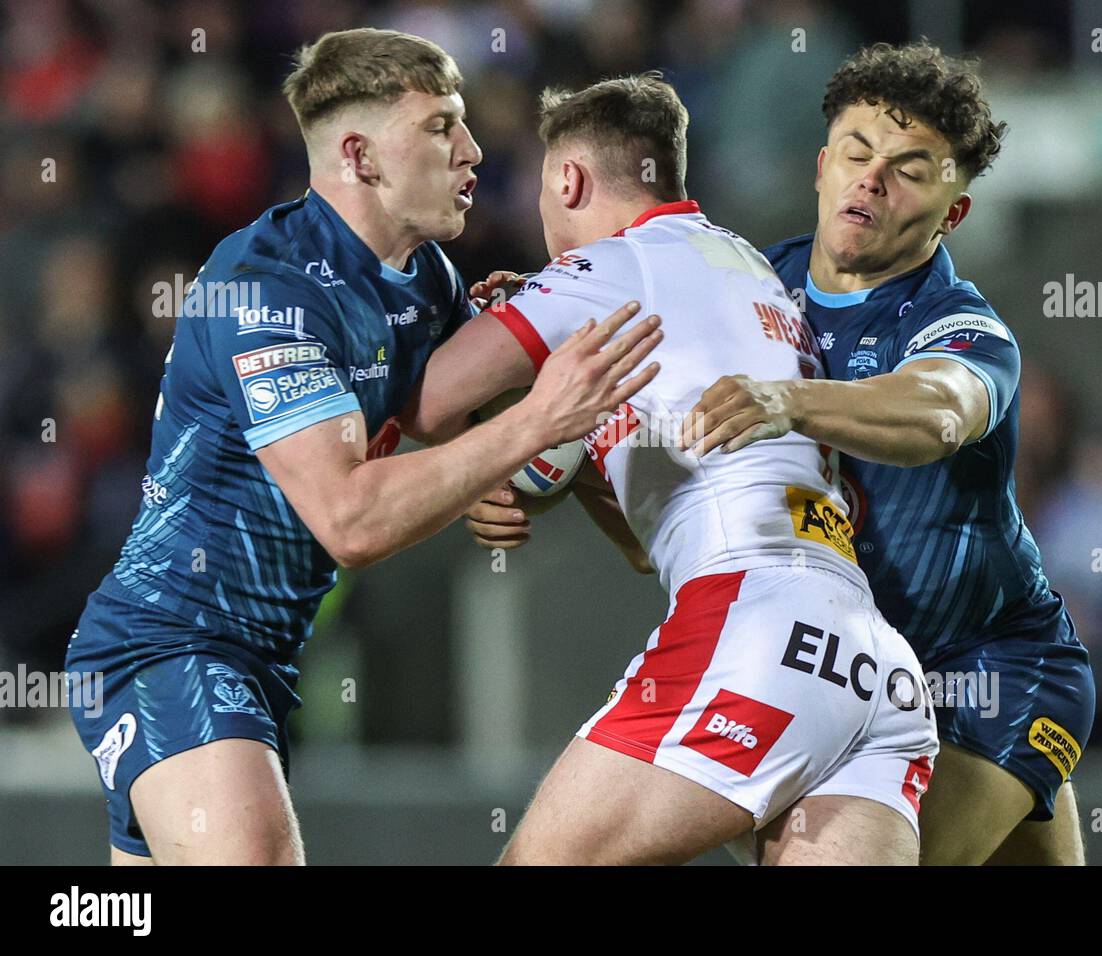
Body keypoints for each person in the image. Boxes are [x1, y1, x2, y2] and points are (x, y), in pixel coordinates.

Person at [64, 28, 660, 866]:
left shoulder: (425, 281)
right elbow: (352, 519)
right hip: (173, 644)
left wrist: (522, 458)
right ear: (360, 155)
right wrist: (530, 425)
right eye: (440, 126)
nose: (473, 148)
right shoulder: (264, 290)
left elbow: (484, 462)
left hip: (267, 657)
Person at [433, 73, 938, 865]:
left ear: (566, 180)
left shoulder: (613, 267)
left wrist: (480, 425)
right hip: (872, 667)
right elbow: (646, 543)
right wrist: (575, 454)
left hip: (756, 622)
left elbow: (430, 401)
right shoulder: (746, 271)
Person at [683, 42, 1096, 865]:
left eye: (910, 168)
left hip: (983, 672)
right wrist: (527, 473)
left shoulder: (961, 326)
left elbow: (938, 411)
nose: (873, 178)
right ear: (821, 166)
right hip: (829, 668)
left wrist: (789, 400)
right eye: (857, 153)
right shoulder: (756, 288)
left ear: (954, 213)